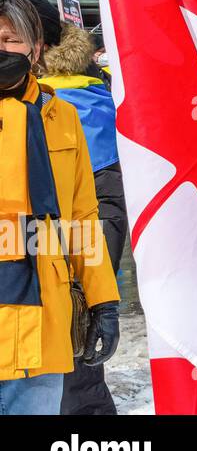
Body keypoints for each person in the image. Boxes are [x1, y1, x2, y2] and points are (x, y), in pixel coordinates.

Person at [0, 0, 120, 414]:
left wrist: (103, 300)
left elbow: (83, 218)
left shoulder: (62, 116)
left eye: (12, 39)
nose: (3, 49)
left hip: (43, 324)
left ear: (37, 47)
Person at [39, 24, 128, 415]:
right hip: (102, 209)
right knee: (84, 317)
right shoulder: (106, 98)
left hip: (41, 226)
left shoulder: (34, 103)